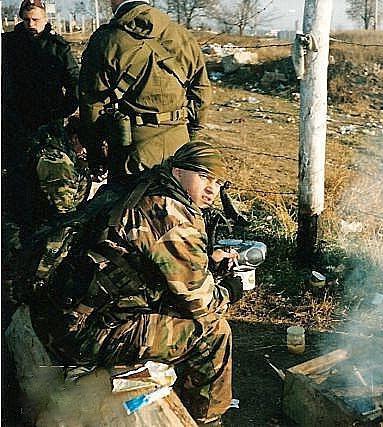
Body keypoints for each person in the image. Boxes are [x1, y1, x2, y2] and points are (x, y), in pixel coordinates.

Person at [30, 141, 244, 424]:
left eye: (218, 183)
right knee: (213, 333)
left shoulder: (144, 185)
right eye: (204, 177)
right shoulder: (170, 215)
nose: (211, 190)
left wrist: (205, 262)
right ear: (179, 172)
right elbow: (201, 304)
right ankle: (206, 420)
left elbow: (148, 259)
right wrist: (229, 290)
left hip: (67, 312)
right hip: (86, 334)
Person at [78, 0, 212, 179]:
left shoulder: (106, 40)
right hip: (179, 144)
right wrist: (191, 137)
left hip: (133, 150)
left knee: (127, 204)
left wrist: (96, 156)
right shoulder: (181, 34)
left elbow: (92, 105)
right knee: (176, 204)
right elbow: (201, 94)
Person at [1, 0, 80, 236]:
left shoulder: (58, 47)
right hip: (13, 127)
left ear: (45, 18)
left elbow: (75, 86)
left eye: (35, 19)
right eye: (26, 20)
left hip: (48, 128)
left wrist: (61, 112)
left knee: (52, 187)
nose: (31, 24)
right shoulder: (8, 45)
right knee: (17, 189)